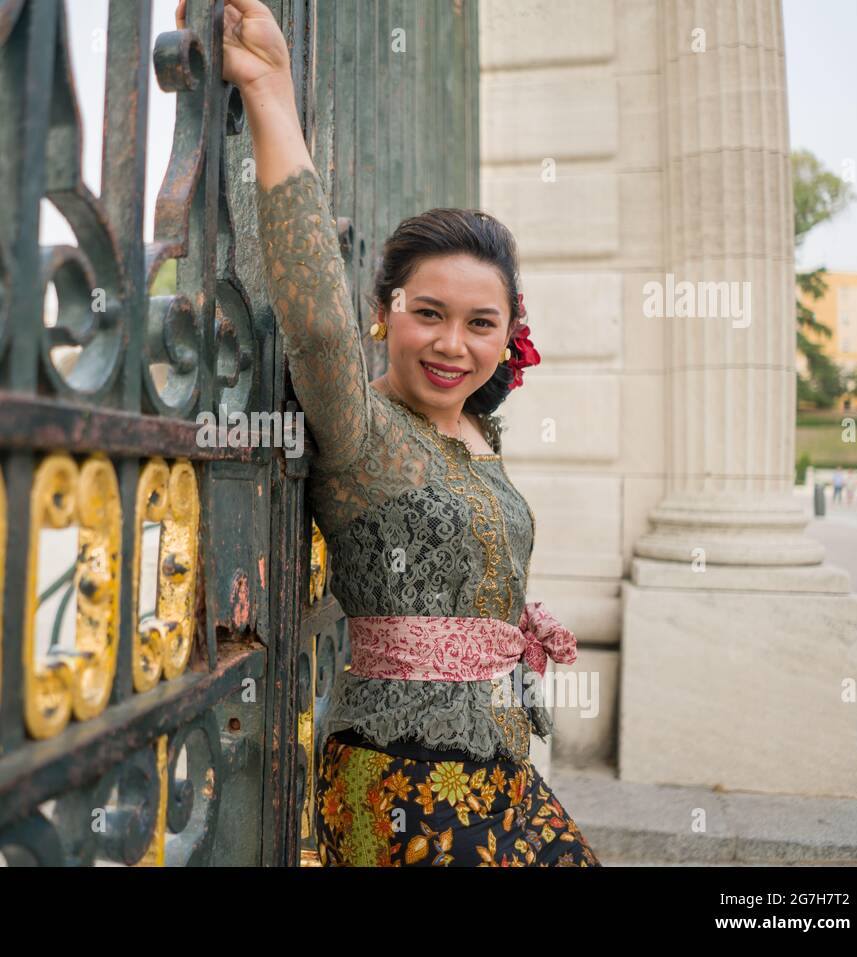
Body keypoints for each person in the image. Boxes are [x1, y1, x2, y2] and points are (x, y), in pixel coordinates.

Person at [181, 0, 600, 866]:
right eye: (429, 314)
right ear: (385, 314)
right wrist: (269, 89)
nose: (454, 344)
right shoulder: (363, 427)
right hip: (398, 781)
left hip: (505, 766)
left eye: (481, 322)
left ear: (507, 330)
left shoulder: (482, 436)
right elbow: (318, 326)